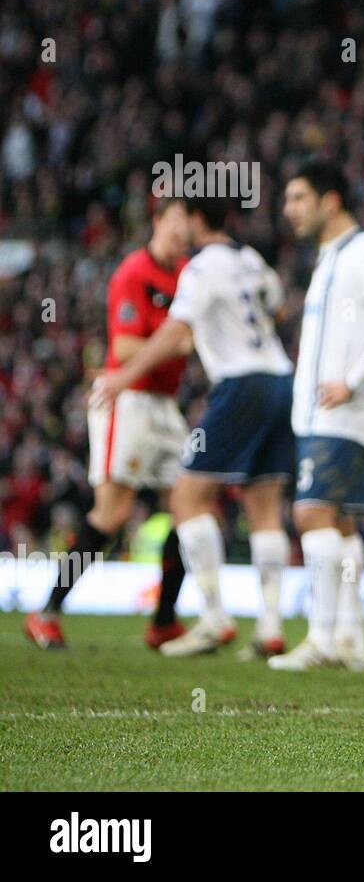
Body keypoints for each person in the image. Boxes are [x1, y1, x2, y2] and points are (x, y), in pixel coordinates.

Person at [91, 194, 296, 658]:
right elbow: (279, 308)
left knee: (186, 497)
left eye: (187, 218)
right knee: (264, 504)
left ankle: (214, 616)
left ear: (199, 220)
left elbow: (176, 332)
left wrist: (124, 374)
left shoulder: (200, 268)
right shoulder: (252, 259)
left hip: (240, 384)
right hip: (281, 379)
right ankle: (270, 629)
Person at [24, 197, 193, 651]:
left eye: (189, 222)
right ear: (158, 221)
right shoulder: (133, 272)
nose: (184, 231)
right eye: (177, 220)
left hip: (164, 403)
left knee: (192, 509)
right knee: (113, 514)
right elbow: (128, 347)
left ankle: (163, 621)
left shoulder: (186, 277)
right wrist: (180, 342)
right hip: (128, 398)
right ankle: (46, 612)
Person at [270, 162, 364, 671]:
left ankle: (322, 638)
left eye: (298, 198)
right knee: (343, 524)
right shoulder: (331, 257)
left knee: (310, 513)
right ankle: (351, 640)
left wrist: (351, 379)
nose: (289, 210)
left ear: (330, 200)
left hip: (340, 412)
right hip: (325, 413)